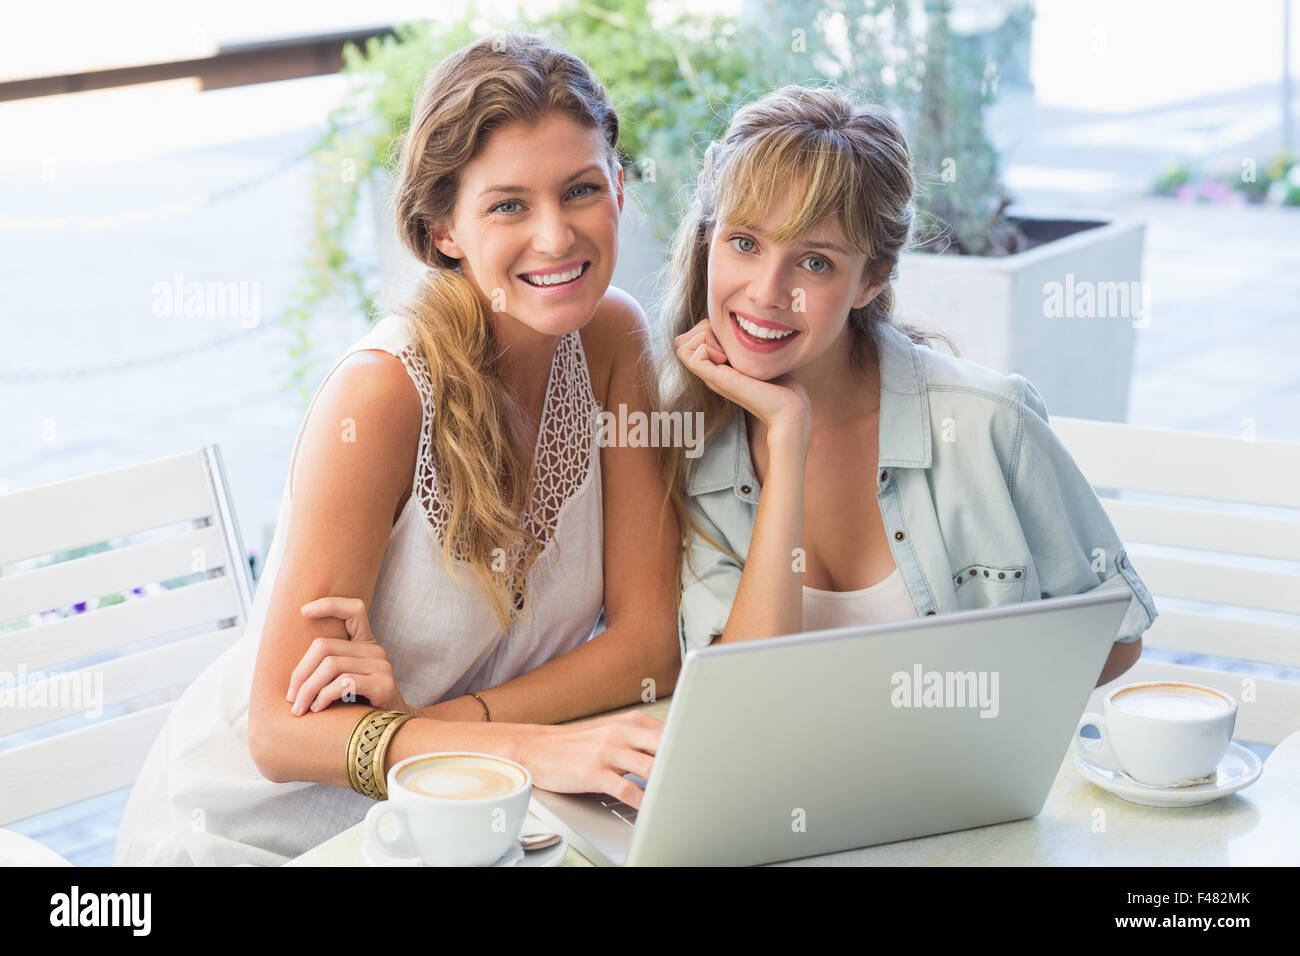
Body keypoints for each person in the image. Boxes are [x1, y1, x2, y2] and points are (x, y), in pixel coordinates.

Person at [114, 34, 679, 867]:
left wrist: (425, 725)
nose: (556, 237)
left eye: (580, 190)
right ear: (442, 227)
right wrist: (523, 745)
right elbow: (277, 734)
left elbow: (646, 645)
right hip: (272, 832)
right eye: (508, 205)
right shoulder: (383, 394)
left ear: (620, 190)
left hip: (473, 816)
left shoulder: (613, 339)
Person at [661, 85, 1157, 684]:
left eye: (815, 261)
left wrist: (959, 711)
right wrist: (789, 437)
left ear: (871, 280)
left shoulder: (991, 422)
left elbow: (1117, 635)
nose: (768, 291)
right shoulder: (691, 449)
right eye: (744, 243)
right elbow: (736, 693)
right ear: (709, 242)